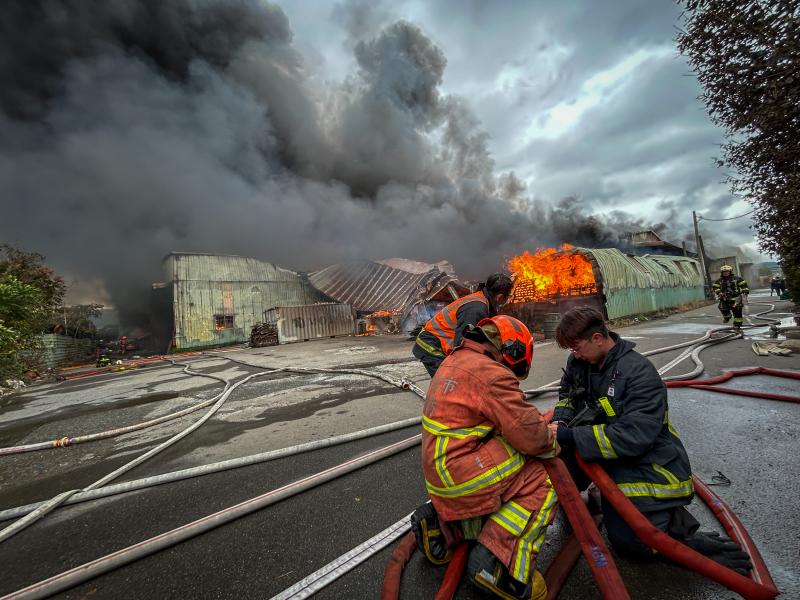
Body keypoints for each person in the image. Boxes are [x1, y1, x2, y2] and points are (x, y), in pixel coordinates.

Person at [551, 307, 751, 573]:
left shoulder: (638, 373)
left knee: (631, 543)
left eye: (576, 348)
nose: (574, 354)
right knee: (556, 471)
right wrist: (561, 422)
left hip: (643, 460)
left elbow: (634, 437)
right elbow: (567, 397)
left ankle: (677, 530)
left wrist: (571, 435)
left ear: (597, 338)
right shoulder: (580, 363)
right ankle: (598, 504)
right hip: (598, 447)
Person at [411, 315, 558, 600]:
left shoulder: (455, 359)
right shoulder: (492, 374)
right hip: (462, 478)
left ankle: (444, 527)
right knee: (543, 476)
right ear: (513, 351)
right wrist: (551, 437)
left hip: (440, 477)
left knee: (507, 468)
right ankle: (503, 567)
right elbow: (532, 438)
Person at [413, 273, 514, 377]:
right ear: (500, 297)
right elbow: (462, 343)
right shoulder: (476, 309)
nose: (508, 299)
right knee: (451, 380)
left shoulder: (481, 299)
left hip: (435, 342)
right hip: (432, 345)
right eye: (509, 296)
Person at [711, 266, 750, 330]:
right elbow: (715, 287)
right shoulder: (719, 280)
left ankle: (737, 325)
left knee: (737, 312)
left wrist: (745, 293)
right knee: (722, 307)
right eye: (724, 272)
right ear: (722, 273)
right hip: (724, 298)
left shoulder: (737, 279)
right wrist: (719, 292)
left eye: (727, 271)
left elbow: (744, 285)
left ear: (730, 272)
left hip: (736, 299)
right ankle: (727, 317)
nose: (725, 273)